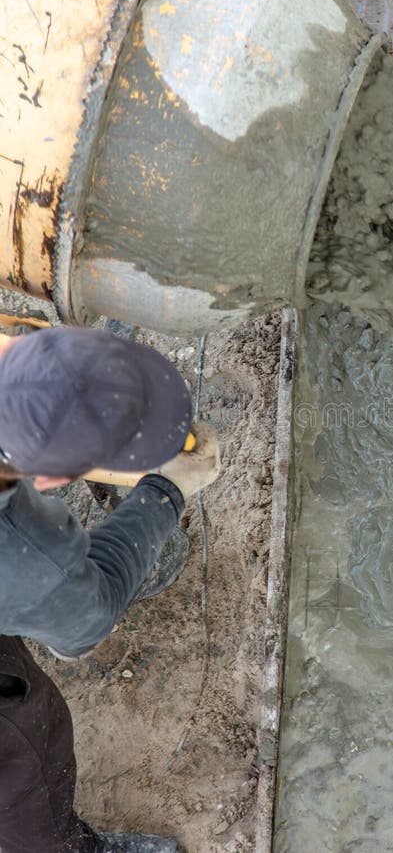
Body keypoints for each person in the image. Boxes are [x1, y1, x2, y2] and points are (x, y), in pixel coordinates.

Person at [0, 327, 221, 853]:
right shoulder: (25, 557)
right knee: (20, 752)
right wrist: (167, 491)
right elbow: (85, 623)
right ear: (53, 481)